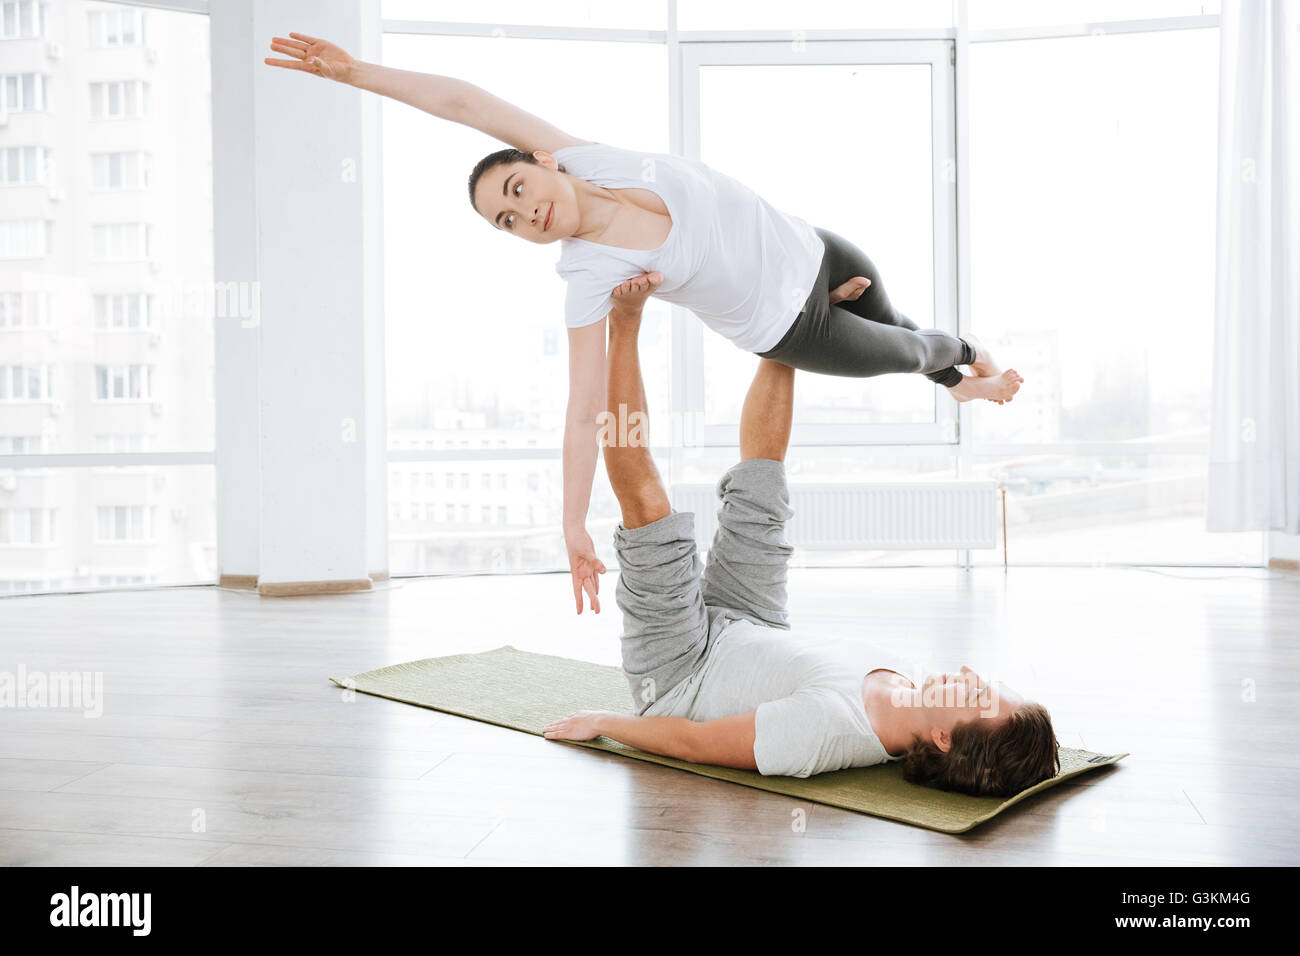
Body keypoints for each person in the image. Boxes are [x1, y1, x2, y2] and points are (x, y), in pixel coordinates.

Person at [264, 33, 1027, 617]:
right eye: (508, 221)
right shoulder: (587, 276)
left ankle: (953, 384)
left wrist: (352, 72)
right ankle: (965, 368)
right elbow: (584, 409)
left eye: (519, 189)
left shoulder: (586, 157)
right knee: (912, 349)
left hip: (815, 246)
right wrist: (571, 523)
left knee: (896, 320)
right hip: (790, 325)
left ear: (542, 163)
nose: (527, 212)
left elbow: (464, 104)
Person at [540, 272, 1058, 797]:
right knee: (765, 482)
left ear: (944, 738)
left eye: (975, 694)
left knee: (651, 512)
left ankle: (624, 325)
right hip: (754, 627)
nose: (969, 672)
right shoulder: (911, 680)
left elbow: (696, 744)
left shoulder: (827, 734)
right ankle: (798, 327)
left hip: (683, 675)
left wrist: (607, 723)